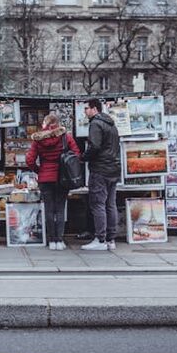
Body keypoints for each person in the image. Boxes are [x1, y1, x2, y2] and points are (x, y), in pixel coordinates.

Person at [25, 113, 81, 251]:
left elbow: (29, 160)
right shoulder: (66, 137)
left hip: (45, 178)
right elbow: (76, 155)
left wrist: (39, 170)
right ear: (57, 124)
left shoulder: (38, 140)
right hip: (62, 178)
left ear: (45, 124)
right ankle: (60, 240)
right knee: (60, 209)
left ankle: (52, 241)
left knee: (49, 209)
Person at [80, 97, 121, 251]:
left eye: (86, 108)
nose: (84, 111)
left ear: (94, 109)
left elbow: (94, 146)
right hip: (114, 169)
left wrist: (83, 157)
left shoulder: (96, 124)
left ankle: (100, 239)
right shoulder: (111, 124)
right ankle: (111, 239)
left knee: (98, 204)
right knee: (110, 204)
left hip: (100, 170)